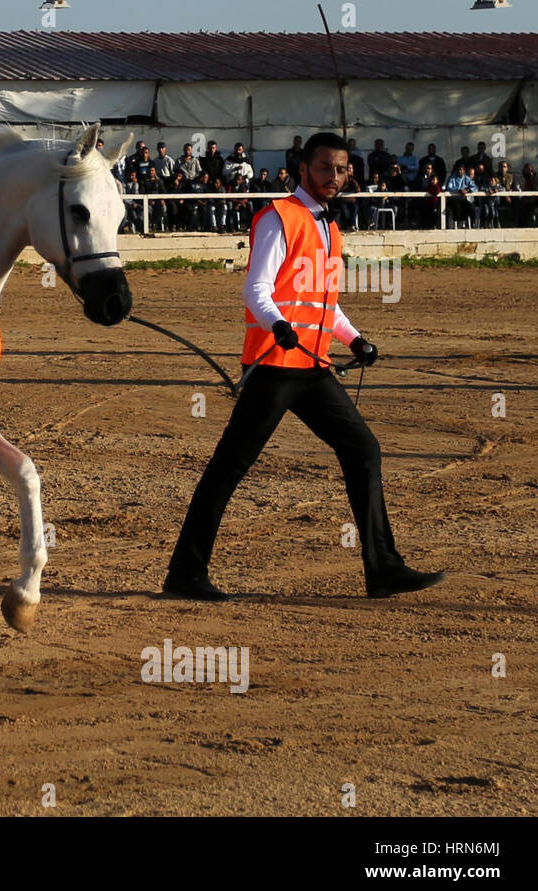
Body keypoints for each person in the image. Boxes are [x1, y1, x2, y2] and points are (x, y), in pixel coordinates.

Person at [163, 132, 445, 601]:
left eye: (341, 169)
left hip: (314, 367)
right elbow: (257, 290)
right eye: (324, 168)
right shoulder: (278, 217)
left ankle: (383, 569)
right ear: (303, 168)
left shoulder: (330, 228)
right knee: (229, 467)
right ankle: (184, 575)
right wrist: (278, 327)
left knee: (363, 450)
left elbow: (322, 304)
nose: (334, 177)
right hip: (275, 365)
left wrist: (355, 340)